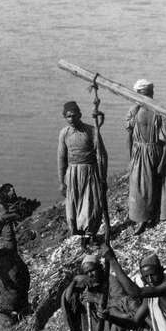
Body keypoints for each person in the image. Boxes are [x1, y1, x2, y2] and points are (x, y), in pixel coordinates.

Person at [127, 79, 166, 234]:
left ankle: (157, 215)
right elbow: (129, 136)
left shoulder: (160, 112)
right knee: (139, 187)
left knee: (159, 184)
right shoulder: (133, 112)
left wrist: (161, 161)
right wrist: (131, 158)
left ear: (152, 93)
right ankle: (142, 220)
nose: (145, 98)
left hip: (156, 151)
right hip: (140, 153)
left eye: (148, 94)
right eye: (141, 95)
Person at [57, 101, 105, 247]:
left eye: (73, 115)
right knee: (75, 204)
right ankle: (82, 235)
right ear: (65, 117)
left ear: (80, 115)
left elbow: (101, 154)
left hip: (90, 171)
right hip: (72, 173)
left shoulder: (91, 131)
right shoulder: (64, 133)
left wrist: (103, 176)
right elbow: (61, 157)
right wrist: (61, 182)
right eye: (68, 116)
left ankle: (91, 233)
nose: (71, 119)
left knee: (91, 203)